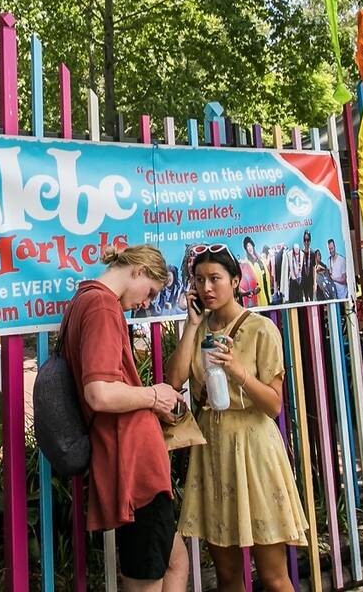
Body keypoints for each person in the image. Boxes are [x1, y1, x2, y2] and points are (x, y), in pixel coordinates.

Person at [165, 246, 307, 591]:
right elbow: (173, 381)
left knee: (274, 577)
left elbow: (273, 406)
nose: (206, 288)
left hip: (255, 450)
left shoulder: (261, 329)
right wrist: (190, 326)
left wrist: (240, 372)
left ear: (235, 280)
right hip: (213, 450)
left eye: (215, 279)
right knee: (228, 577)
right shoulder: (198, 328)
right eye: (199, 280)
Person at [58, 245, 189, 592]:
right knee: (146, 576)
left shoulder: (85, 300)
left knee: (175, 561)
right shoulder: (102, 306)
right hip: (133, 462)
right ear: (137, 270)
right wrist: (154, 395)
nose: (147, 302)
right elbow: (99, 392)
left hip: (132, 458)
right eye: (151, 292)